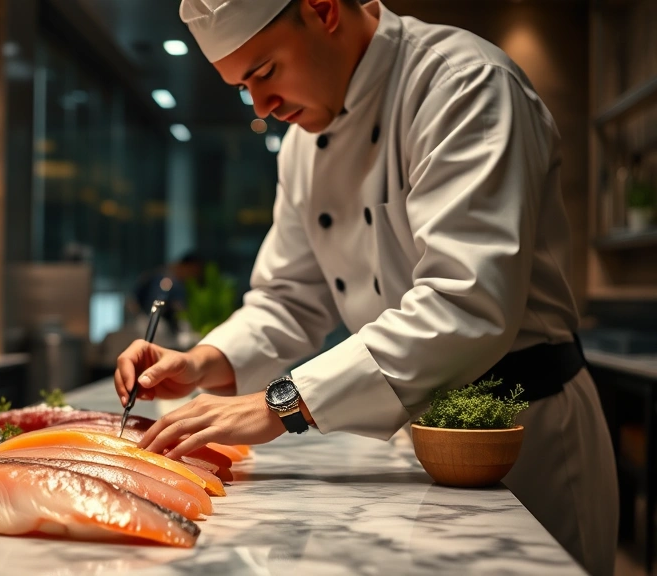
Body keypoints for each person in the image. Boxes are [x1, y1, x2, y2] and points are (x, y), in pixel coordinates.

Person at [113, 1, 618, 574]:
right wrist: (203, 361)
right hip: (410, 440)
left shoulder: (463, 84)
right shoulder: (305, 142)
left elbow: (466, 300)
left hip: (525, 434)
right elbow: (287, 297)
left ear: (324, 10)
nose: (263, 107)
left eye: (265, 71)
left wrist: (282, 404)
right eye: (242, 88)